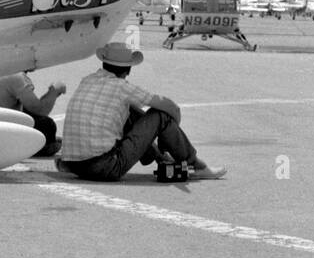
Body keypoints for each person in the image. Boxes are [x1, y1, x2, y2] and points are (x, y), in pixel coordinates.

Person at [56, 42, 226, 182]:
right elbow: (168, 106)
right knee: (160, 116)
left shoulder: (88, 80)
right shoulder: (122, 87)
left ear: (104, 63)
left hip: (73, 164)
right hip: (105, 167)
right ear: (128, 69)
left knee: (128, 110)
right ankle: (196, 165)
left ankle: (161, 156)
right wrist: (170, 130)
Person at [0, 73, 65, 157]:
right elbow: (40, 110)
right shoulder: (15, 76)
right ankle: (42, 147)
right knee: (48, 125)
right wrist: (55, 90)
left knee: (29, 115)